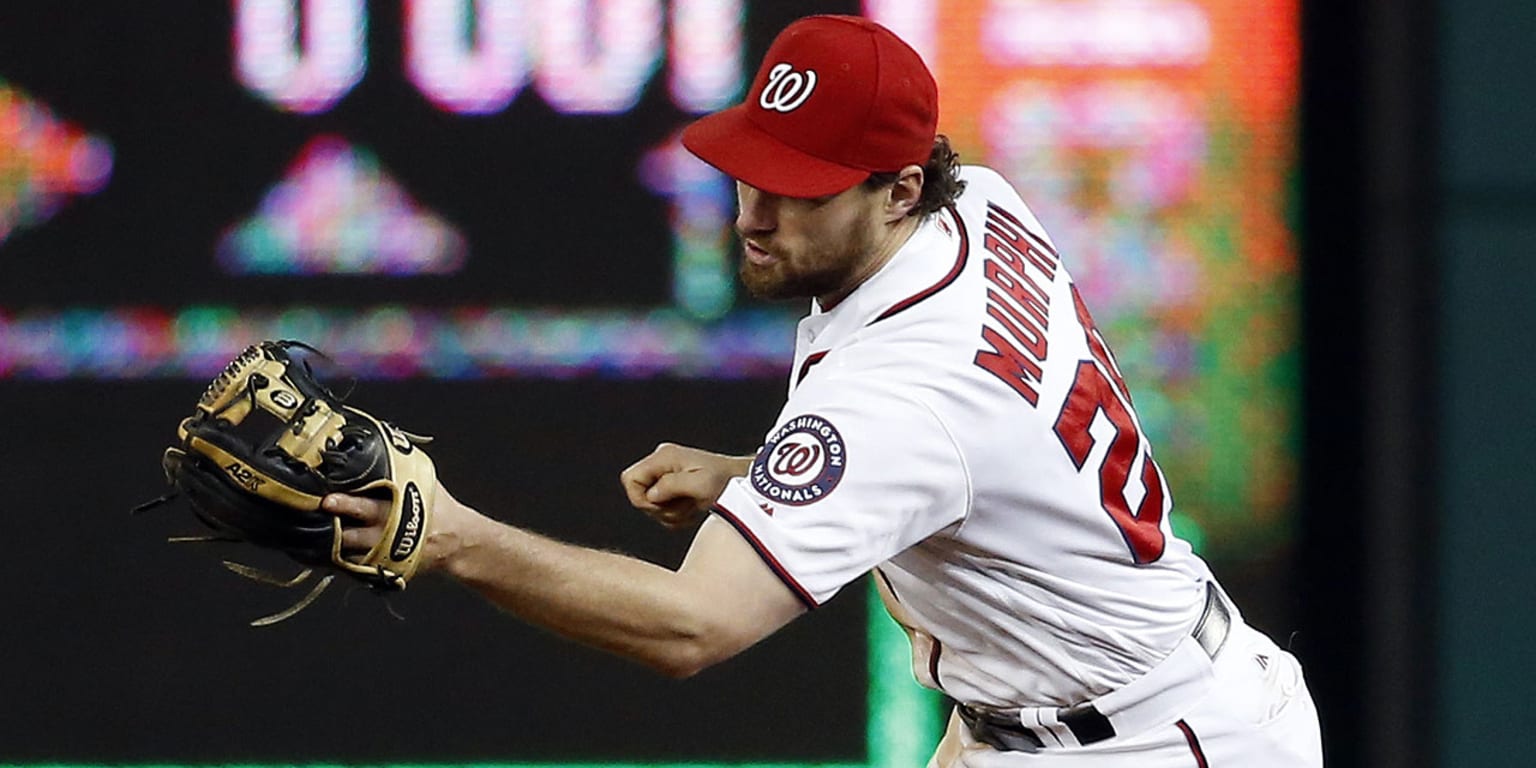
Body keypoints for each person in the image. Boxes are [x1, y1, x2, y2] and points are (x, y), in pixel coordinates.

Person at [324, 14, 1324, 766]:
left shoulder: (900, 393)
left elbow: (692, 627)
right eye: (753, 171)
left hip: (1148, 745)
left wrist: (452, 537)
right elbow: (978, 454)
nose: (755, 214)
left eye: (799, 188)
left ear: (898, 188)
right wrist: (756, 481)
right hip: (1100, 701)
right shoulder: (976, 202)